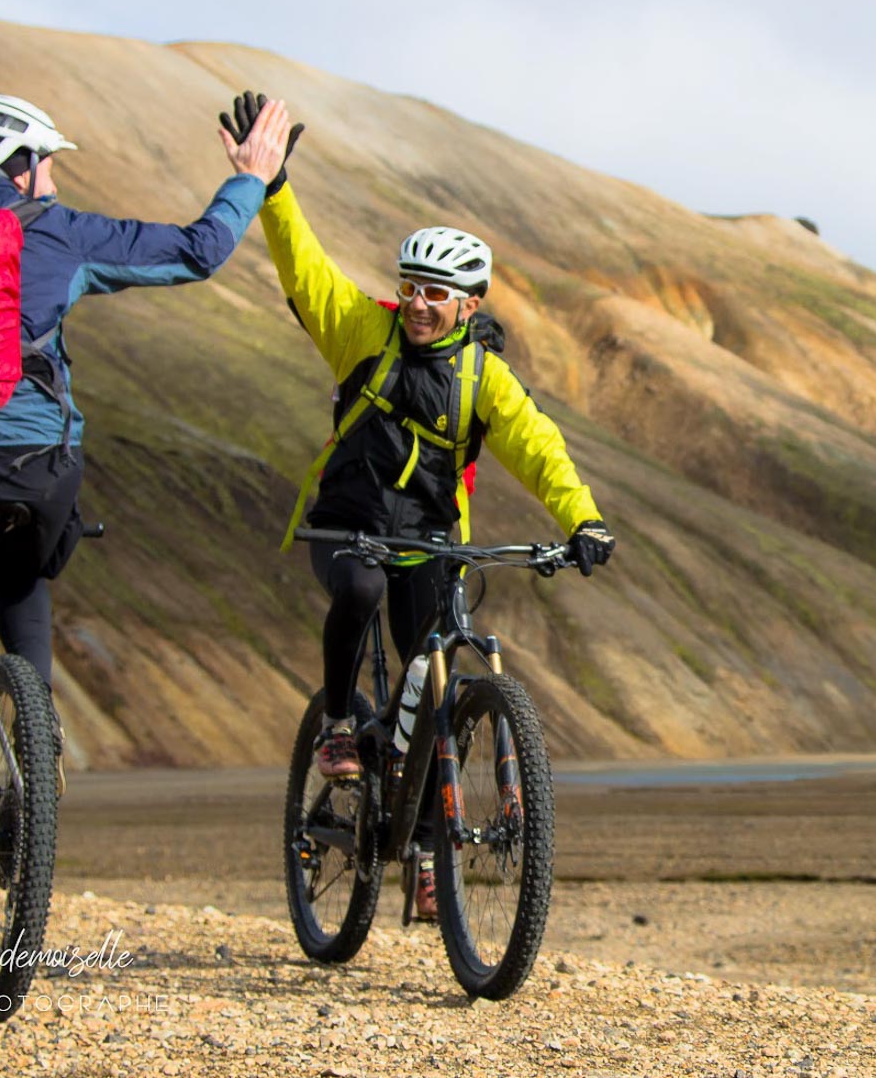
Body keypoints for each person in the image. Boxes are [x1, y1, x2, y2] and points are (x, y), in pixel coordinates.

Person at [0, 91, 293, 916]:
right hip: (35, 471)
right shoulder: (58, 232)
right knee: (24, 574)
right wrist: (252, 181)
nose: (51, 176)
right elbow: (199, 252)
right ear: (21, 167)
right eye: (47, 160)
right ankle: (35, 750)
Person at [226, 93, 612, 921]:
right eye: (411, 286)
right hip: (347, 526)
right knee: (359, 592)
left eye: (437, 292)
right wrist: (276, 188)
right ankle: (337, 723)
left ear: (471, 305)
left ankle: (430, 853)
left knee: (435, 686)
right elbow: (306, 272)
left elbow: (537, 445)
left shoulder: (485, 379)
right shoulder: (365, 334)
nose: (419, 302)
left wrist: (580, 518)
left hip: (433, 543)